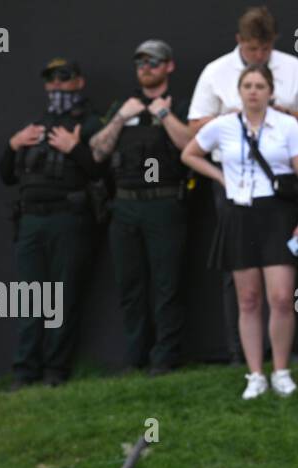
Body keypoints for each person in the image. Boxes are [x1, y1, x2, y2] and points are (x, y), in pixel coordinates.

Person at [189, 6, 298, 367]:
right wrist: (239, 118)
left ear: (274, 43)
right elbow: (194, 128)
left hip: (278, 190)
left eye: (265, 50)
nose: (259, 56)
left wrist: (277, 113)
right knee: (241, 279)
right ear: (239, 42)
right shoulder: (216, 72)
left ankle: (281, 358)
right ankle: (242, 355)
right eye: (252, 50)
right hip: (233, 182)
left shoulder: (292, 67)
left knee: (281, 284)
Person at [182, 64, 298, 399]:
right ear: (239, 91)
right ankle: (255, 373)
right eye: (247, 86)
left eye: (260, 85)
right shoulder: (223, 126)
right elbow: (190, 153)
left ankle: (281, 370)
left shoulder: (287, 125)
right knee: (248, 298)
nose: (253, 91)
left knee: (283, 297)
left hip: (278, 214)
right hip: (239, 213)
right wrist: (220, 178)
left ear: (271, 92)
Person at [0, 57, 106, 388]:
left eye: (64, 77)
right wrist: (12, 145)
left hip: (69, 219)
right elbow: (6, 175)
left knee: (62, 297)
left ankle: (55, 370)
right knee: (31, 297)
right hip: (32, 220)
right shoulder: (35, 124)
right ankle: (24, 370)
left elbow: (101, 172)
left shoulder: (90, 124)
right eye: (51, 79)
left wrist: (76, 149)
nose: (57, 84)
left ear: (79, 81)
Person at [90, 40, 194, 375]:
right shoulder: (124, 105)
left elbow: (191, 145)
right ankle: (136, 356)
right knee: (130, 286)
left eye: (153, 62)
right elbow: (96, 152)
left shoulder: (179, 104)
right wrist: (121, 117)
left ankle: (166, 356)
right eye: (140, 63)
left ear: (168, 66)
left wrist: (162, 113)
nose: (145, 68)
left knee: (167, 285)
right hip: (124, 206)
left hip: (164, 203)